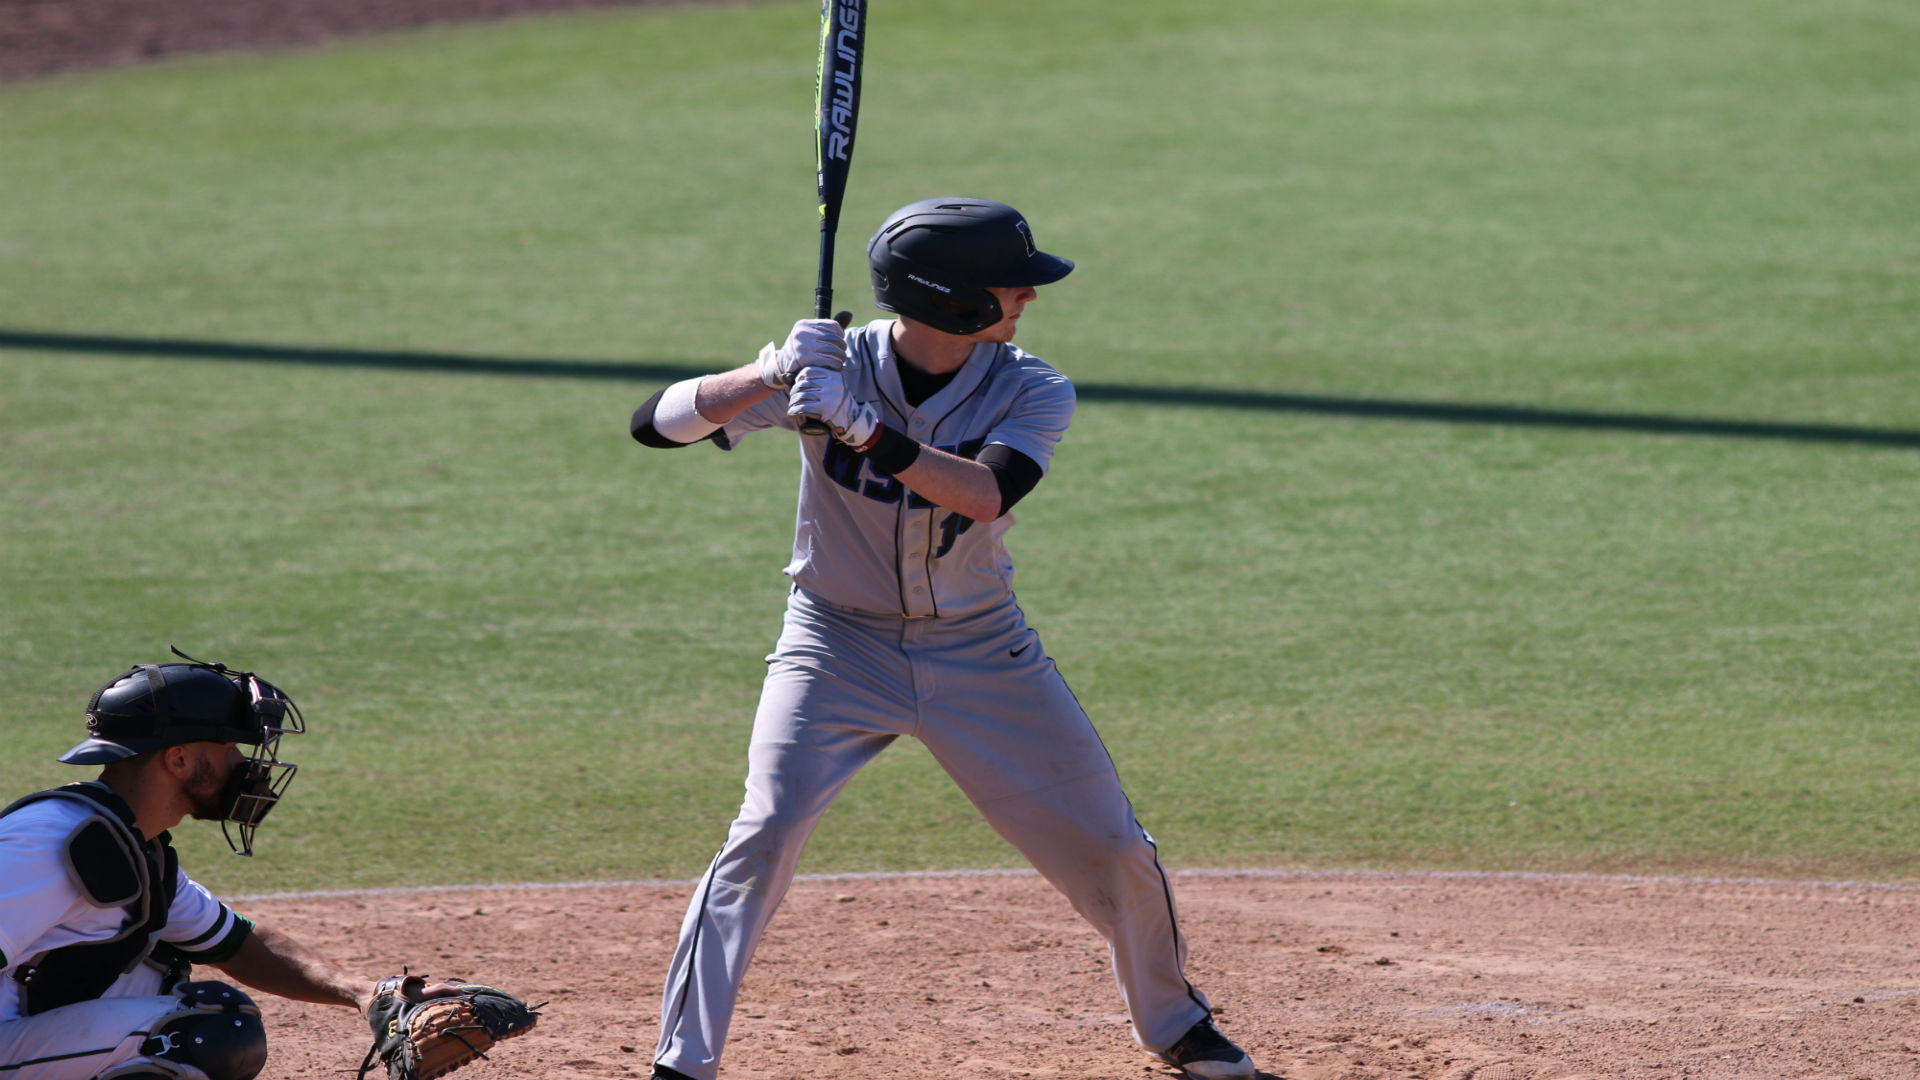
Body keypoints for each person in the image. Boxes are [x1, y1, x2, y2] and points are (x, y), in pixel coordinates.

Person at [627, 197, 1257, 1080]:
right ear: (954, 299)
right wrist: (767, 373)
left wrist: (860, 428)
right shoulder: (829, 366)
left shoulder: (1033, 385)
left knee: (1113, 845)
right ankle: (680, 1065)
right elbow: (655, 425)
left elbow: (986, 493)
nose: (1029, 299)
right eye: (1013, 286)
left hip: (980, 652)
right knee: (762, 833)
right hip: (833, 646)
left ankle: (1174, 1023)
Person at [3, 655, 389, 1080]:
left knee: (161, 971)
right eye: (229, 749)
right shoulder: (50, 841)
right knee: (202, 1029)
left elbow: (236, 942)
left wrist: (366, 993)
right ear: (180, 759)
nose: (245, 765)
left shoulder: (133, 847)